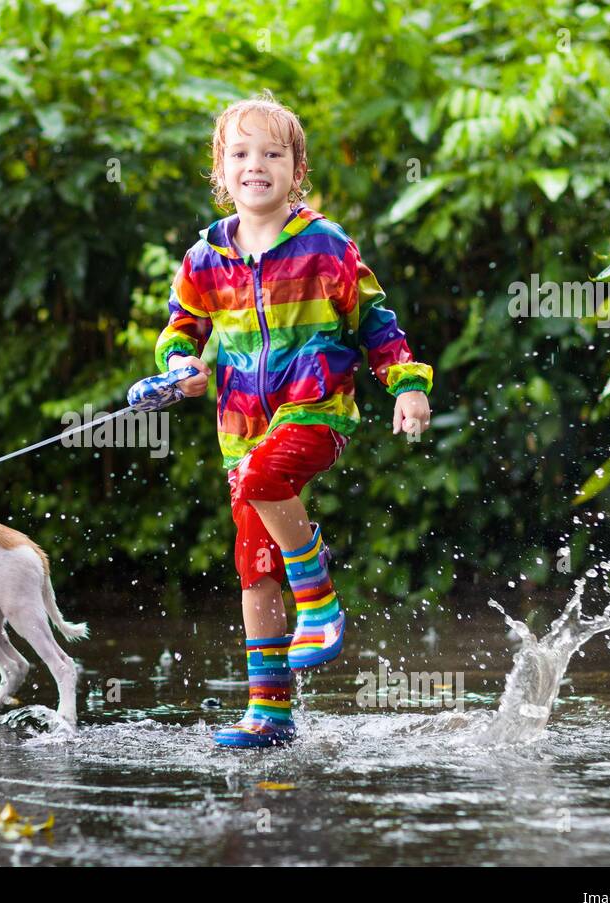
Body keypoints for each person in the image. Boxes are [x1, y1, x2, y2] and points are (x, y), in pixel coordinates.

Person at [154, 91, 434, 748]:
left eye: (273, 153)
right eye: (241, 153)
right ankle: (270, 714)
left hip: (318, 408)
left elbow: (376, 324)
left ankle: (318, 591)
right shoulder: (204, 259)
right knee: (253, 570)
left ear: (296, 171)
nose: (257, 164)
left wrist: (407, 385)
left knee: (262, 476)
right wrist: (178, 369)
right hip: (240, 428)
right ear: (221, 172)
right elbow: (181, 332)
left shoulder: (325, 245)